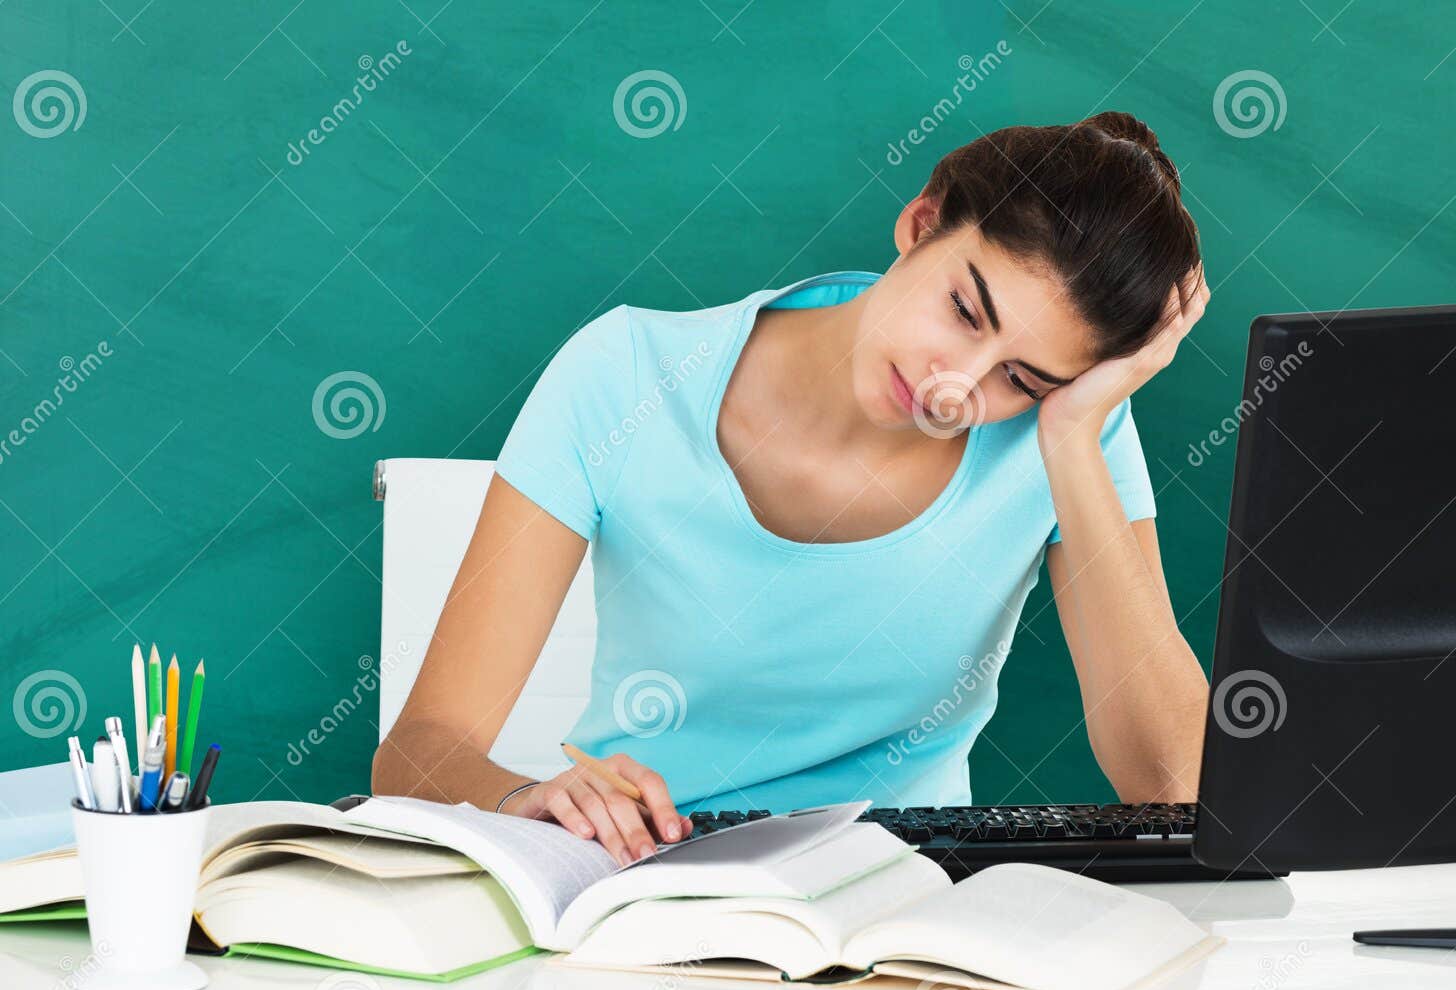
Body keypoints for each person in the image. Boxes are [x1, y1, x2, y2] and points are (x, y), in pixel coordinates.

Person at [372, 112, 1212, 868]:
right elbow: (418, 750)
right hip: (642, 882)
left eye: (1019, 377)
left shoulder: (1066, 430)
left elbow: (1174, 780)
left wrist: (1068, 435)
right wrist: (526, 799)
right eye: (964, 309)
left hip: (908, 908)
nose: (955, 387)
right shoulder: (624, 376)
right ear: (922, 221)